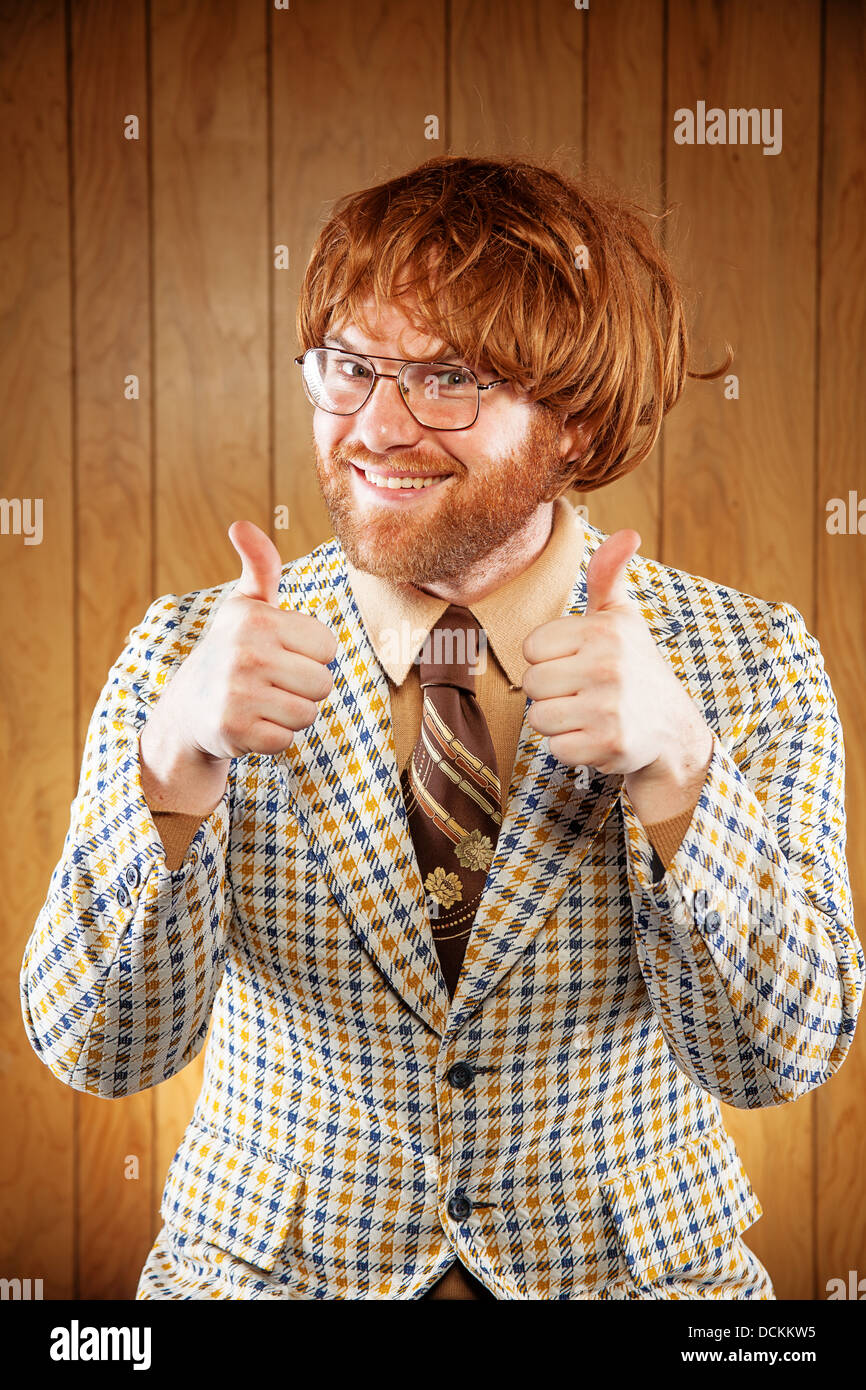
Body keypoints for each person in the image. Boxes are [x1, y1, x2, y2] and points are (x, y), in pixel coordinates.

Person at [20, 155, 864, 1300]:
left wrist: (682, 778)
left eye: (447, 378)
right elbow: (101, 1053)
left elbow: (774, 1060)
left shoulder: (748, 660)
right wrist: (169, 777)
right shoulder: (185, 659)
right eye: (351, 368)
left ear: (573, 420)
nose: (375, 427)